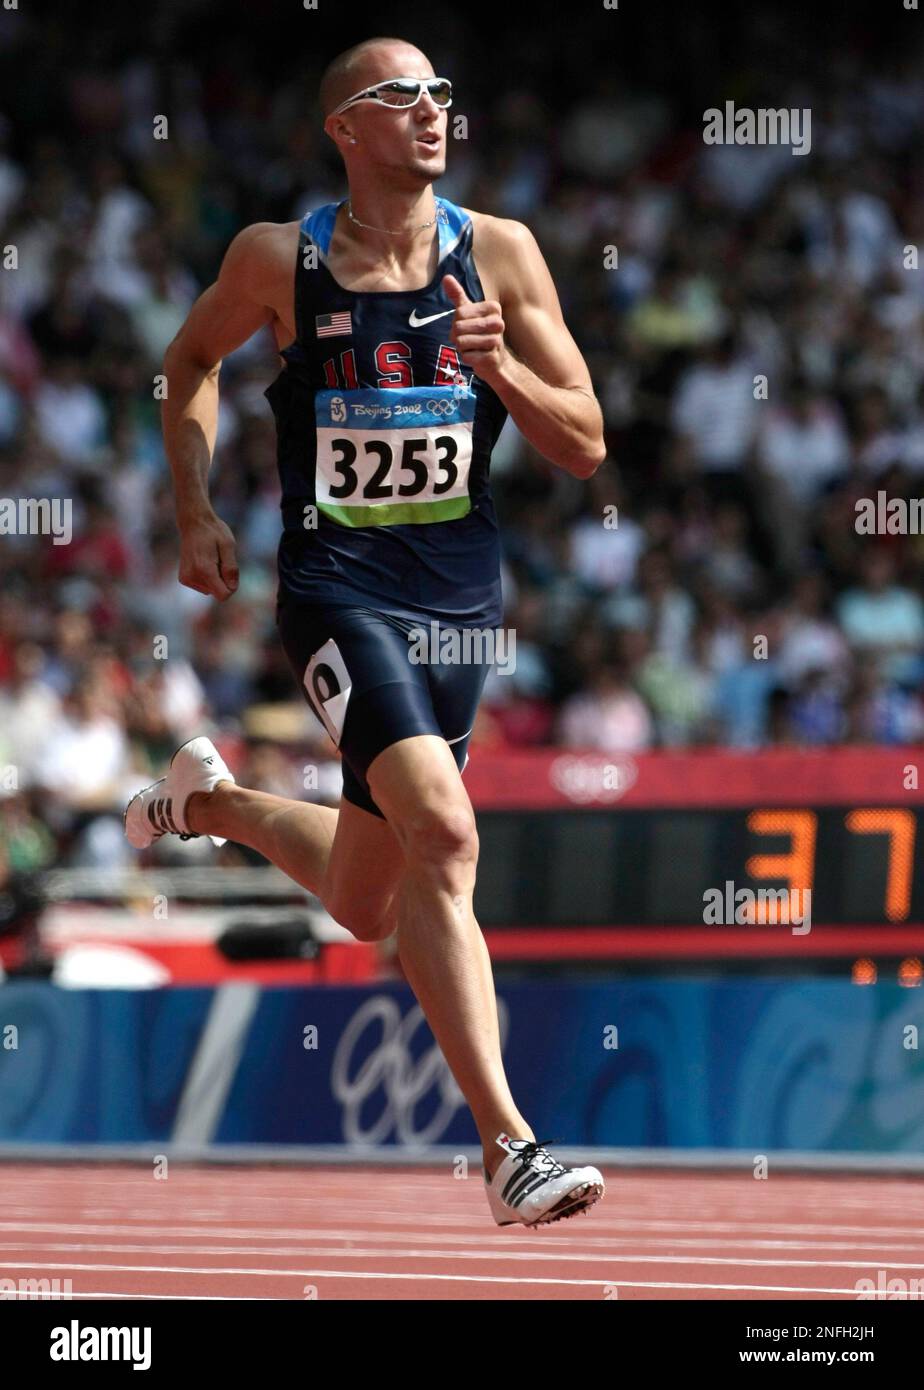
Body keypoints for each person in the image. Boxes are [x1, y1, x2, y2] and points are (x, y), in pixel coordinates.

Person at [124, 35, 606, 1227]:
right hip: (336, 588)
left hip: (460, 605)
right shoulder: (278, 261)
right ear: (346, 126)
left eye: (444, 89)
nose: (433, 109)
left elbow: (586, 439)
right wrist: (193, 505)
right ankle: (511, 1148)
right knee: (445, 832)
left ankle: (209, 803)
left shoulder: (501, 254)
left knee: (366, 900)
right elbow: (187, 359)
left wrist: (505, 379)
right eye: (402, 94)